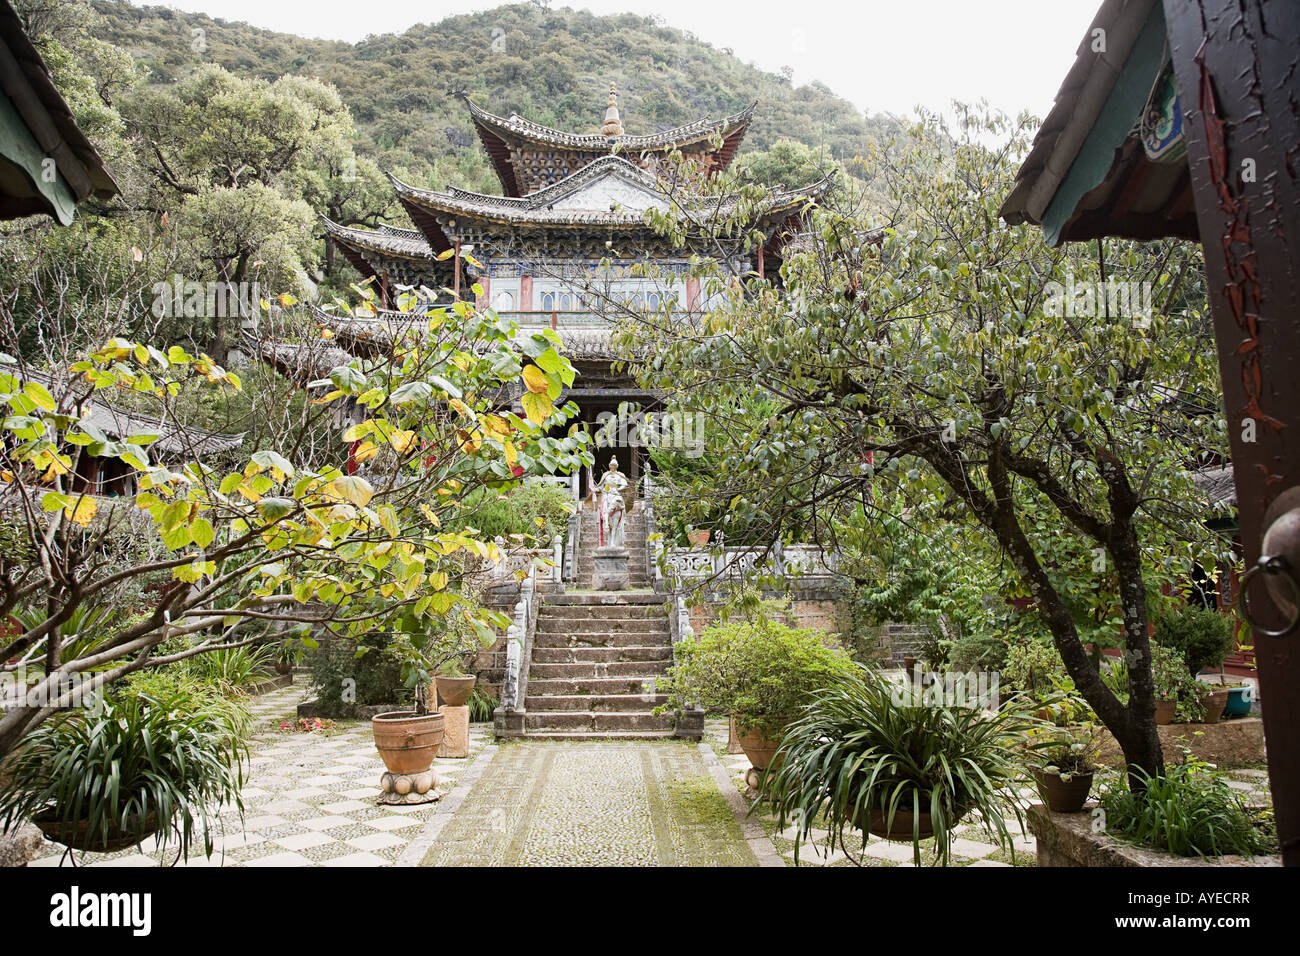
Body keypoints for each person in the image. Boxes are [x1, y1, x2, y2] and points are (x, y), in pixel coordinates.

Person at [595, 456, 628, 548]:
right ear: (609, 466)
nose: (613, 467)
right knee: (603, 503)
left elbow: (625, 484)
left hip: (616, 493)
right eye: (611, 465)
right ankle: (602, 516)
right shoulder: (606, 475)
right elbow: (601, 485)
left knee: (619, 501)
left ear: (616, 466)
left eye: (614, 465)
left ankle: (622, 514)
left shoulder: (620, 475)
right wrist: (598, 489)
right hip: (607, 493)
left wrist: (618, 488)